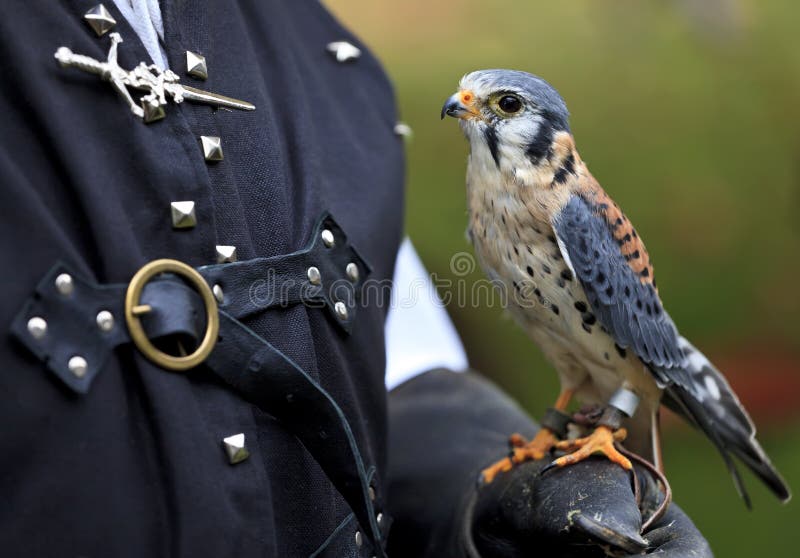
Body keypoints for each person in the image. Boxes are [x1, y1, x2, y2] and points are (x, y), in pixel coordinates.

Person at [0, 1, 711, 556]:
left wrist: (471, 502)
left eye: (496, 105)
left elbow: (388, 352)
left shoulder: (323, 57)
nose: (464, 109)